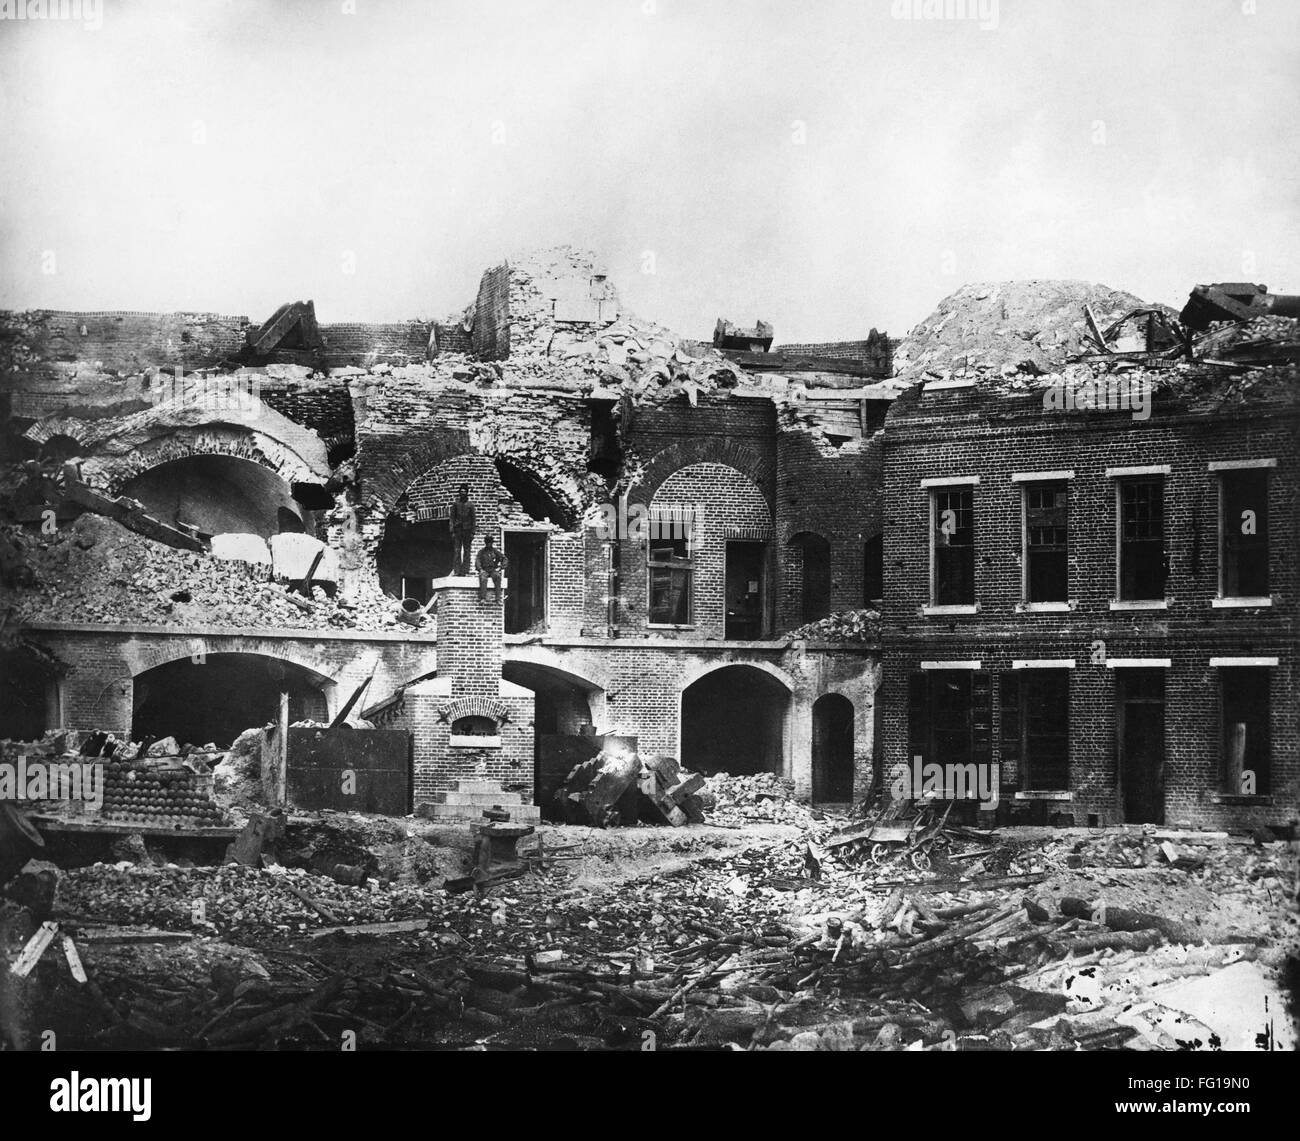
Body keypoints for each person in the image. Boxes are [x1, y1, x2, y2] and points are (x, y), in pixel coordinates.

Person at [449, 483, 475, 575]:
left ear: (467, 493)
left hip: (467, 530)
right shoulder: (456, 504)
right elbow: (452, 518)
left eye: (464, 492)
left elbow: (473, 520)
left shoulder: (470, 505)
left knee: (467, 551)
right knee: (457, 551)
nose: (463, 493)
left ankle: (465, 571)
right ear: (459, 493)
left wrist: (473, 532)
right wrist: (452, 531)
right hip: (458, 530)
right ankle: (457, 571)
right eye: (461, 492)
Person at [475, 534, 507, 604]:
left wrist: (501, 567)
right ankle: (483, 598)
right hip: (484, 570)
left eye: (490, 542)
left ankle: (498, 599)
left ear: (492, 543)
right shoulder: (481, 552)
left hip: (492, 570)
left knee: (498, 577)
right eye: (487, 542)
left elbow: (504, 558)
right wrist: (480, 569)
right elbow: (477, 561)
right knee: (483, 578)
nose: (489, 544)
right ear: (485, 543)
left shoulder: (495, 551)